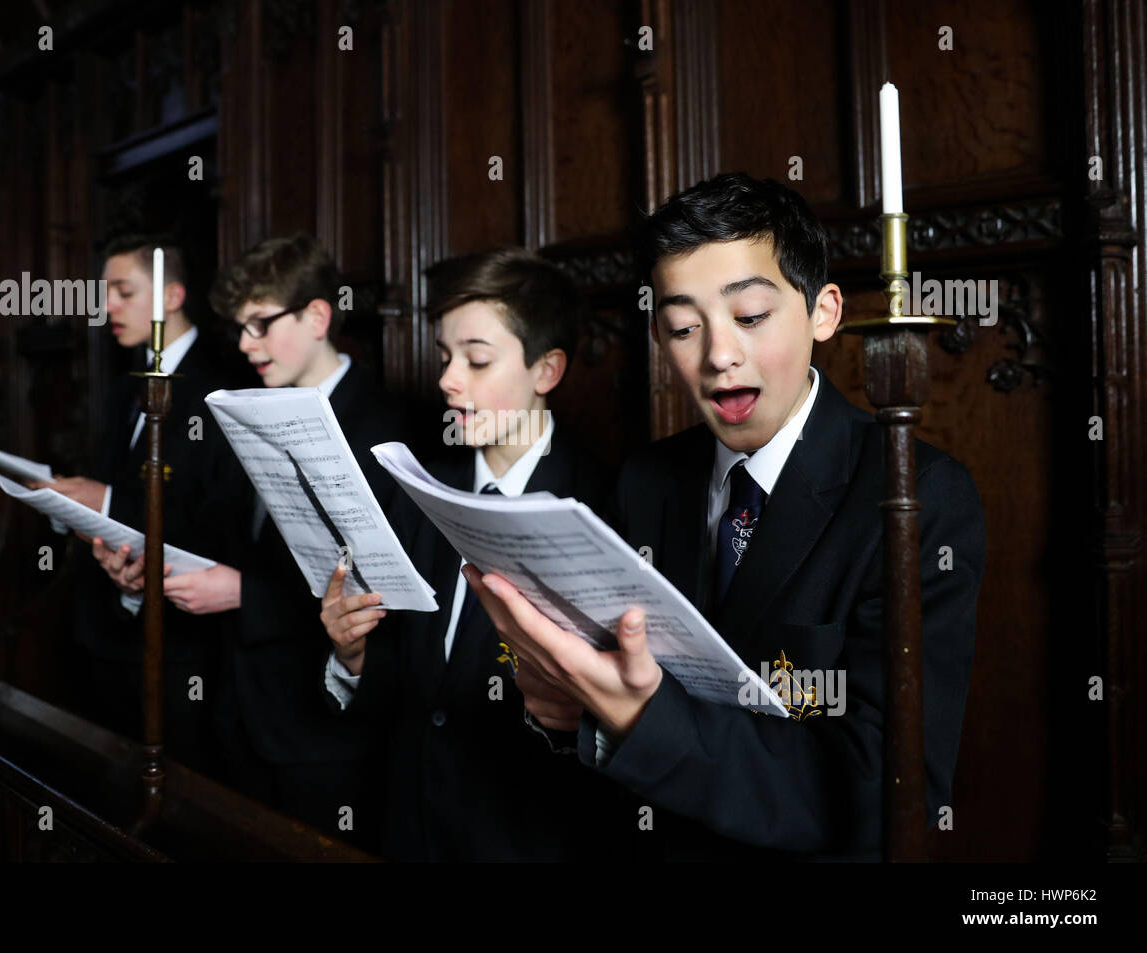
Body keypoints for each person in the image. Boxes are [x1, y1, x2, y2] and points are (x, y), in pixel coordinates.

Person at [461, 174, 986, 861]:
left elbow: (885, 795)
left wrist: (641, 718)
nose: (717, 355)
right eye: (684, 327)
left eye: (750, 316)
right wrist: (570, 708)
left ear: (823, 312)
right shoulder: (646, 481)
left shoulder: (917, 497)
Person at [319, 246, 616, 861]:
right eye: (446, 356)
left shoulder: (605, 506)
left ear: (547, 371)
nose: (448, 379)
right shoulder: (417, 487)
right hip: (404, 828)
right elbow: (402, 686)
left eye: (477, 360)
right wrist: (351, 655)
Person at [158, 233, 408, 850]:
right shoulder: (248, 410)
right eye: (240, 329)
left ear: (318, 316)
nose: (246, 345)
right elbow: (226, 536)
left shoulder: (387, 427)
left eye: (261, 325)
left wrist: (246, 593)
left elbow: (387, 595)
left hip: (323, 735)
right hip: (234, 713)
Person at [37, 234, 253, 777]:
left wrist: (105, 499)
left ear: (173, 297)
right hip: (106, 624)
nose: (108, 305)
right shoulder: (121, 386)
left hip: (184, 645)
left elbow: (217, 515)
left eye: (123, 291)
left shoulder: (223, 384)